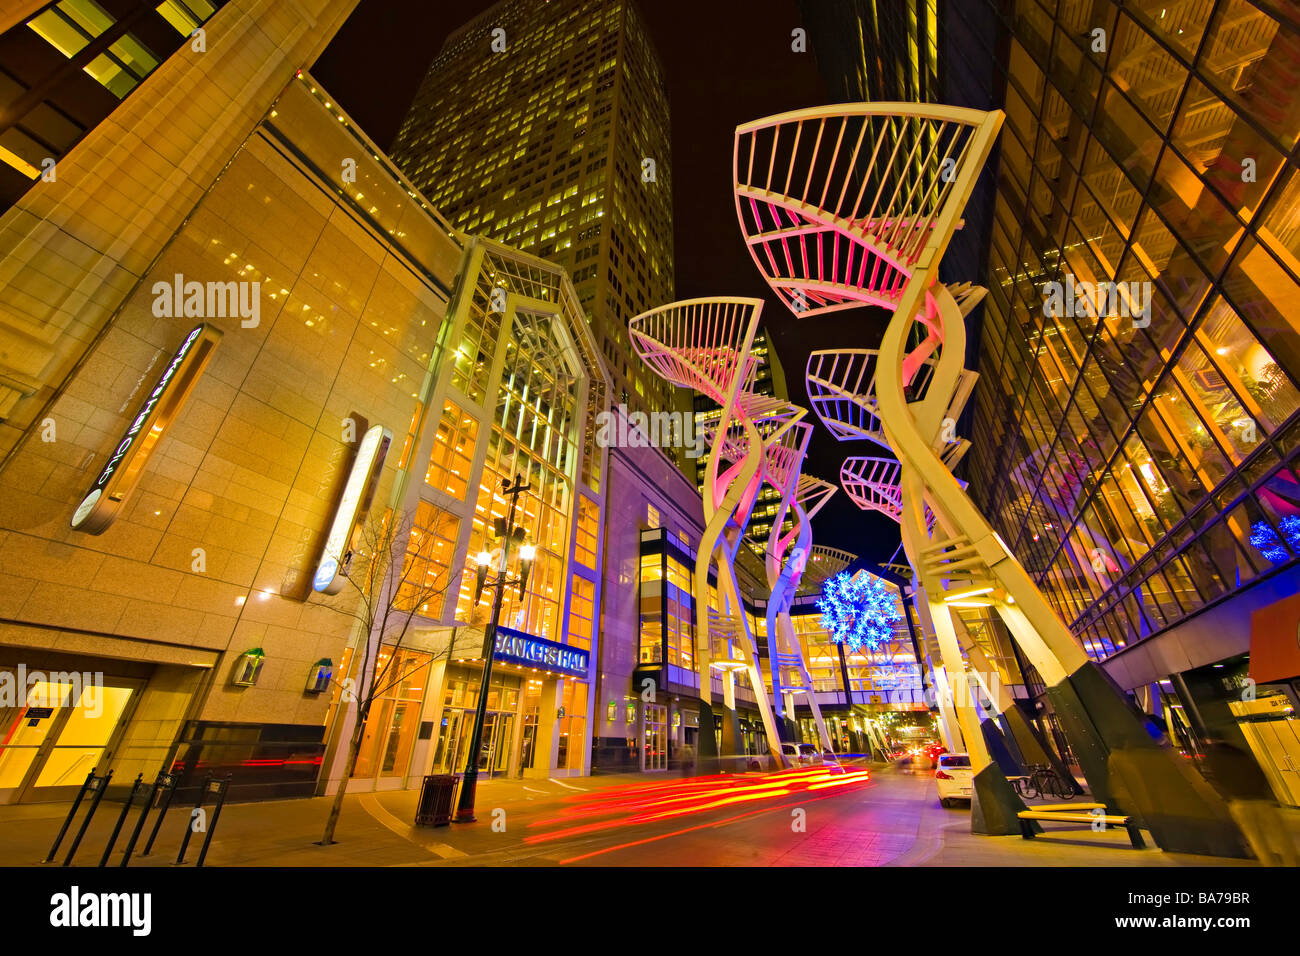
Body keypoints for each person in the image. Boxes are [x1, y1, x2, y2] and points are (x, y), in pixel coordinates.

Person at [1199, 735, 1298, 867]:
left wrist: (1229, 796)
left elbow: (1215, 781)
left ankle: (1269, 864)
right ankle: (1291, 863)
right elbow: (1259, 773)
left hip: (1239, 803)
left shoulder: (1212, 759)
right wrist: (1262, 791)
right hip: (1260, 799)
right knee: (1280, 835)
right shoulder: (1241, 754)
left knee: (1256, 839)